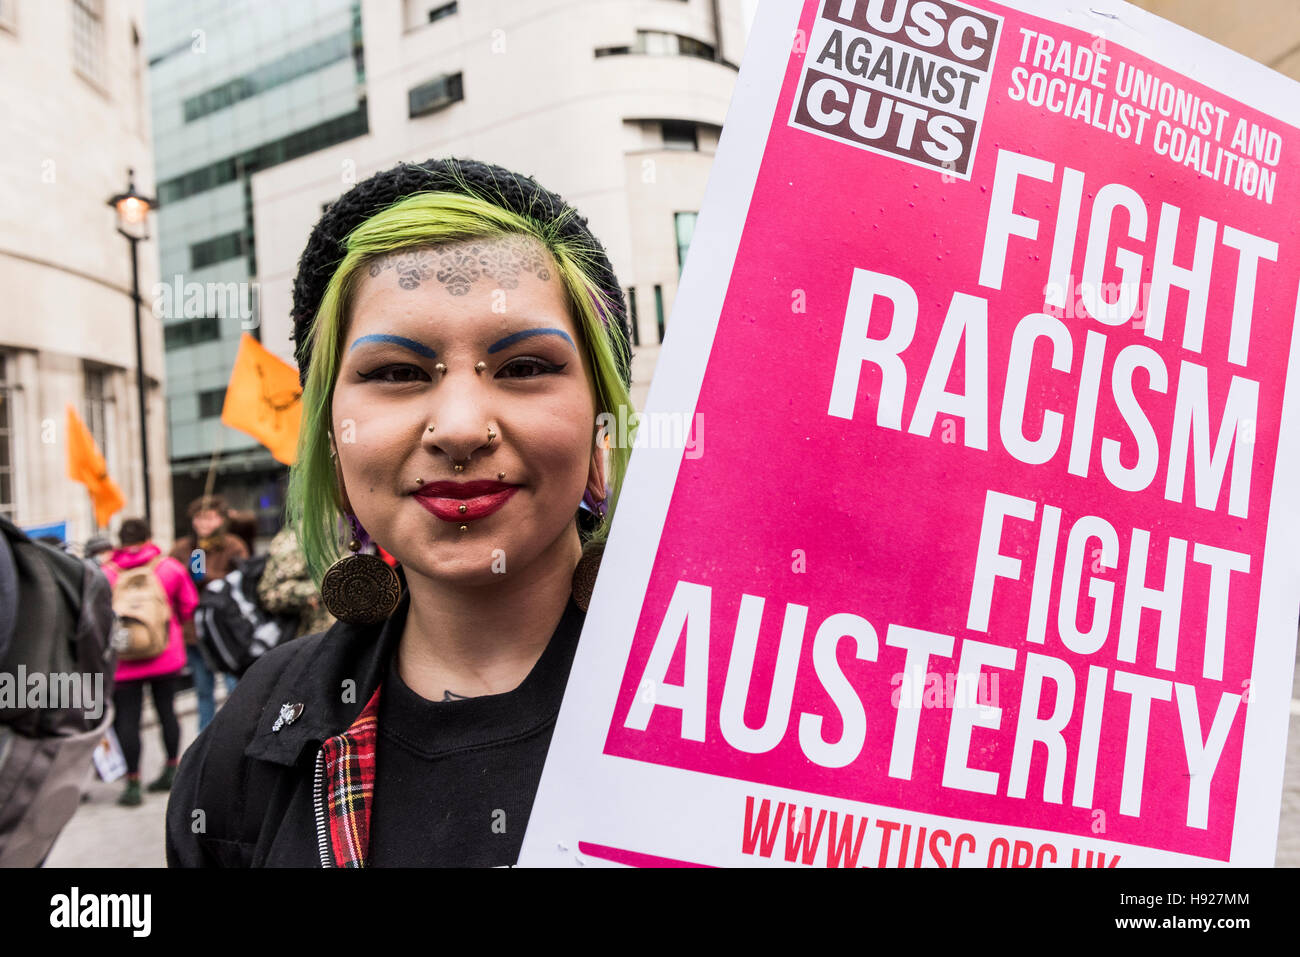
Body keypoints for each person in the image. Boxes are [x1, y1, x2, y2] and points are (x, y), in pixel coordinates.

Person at [166, 157, 634, 866]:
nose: (458, 426)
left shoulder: (742, 705)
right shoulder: (252, 736)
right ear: (332, 437)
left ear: (603, 424)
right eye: (396, 373)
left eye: (524, 367)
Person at [104, 518, 198, 807]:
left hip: (123, 659)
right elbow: (189, 604)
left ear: (120, 540)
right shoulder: (168, 568)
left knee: (127, 719)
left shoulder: (106, 573)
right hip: (164, 655)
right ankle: (171, 769)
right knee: (167, 711)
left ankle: (132, 782)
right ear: (148, 537)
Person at [170, 495, 249, 730]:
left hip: (225, 630)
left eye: (210, 518)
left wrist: (207, 577)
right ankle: (204, 740)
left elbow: (241, 579)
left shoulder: (233, 545)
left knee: (233, 687)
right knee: (203, 691)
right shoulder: (183, 548)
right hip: (193, 630)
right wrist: (188, 573)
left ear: (221, 520)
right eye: (199, 518)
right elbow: (171, 581)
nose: (203, 523)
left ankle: (235, 733)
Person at [257, 525, 335, 639]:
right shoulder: (301, 536)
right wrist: (323, 588)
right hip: (315, 639)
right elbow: (269, 594)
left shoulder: (358, 533)